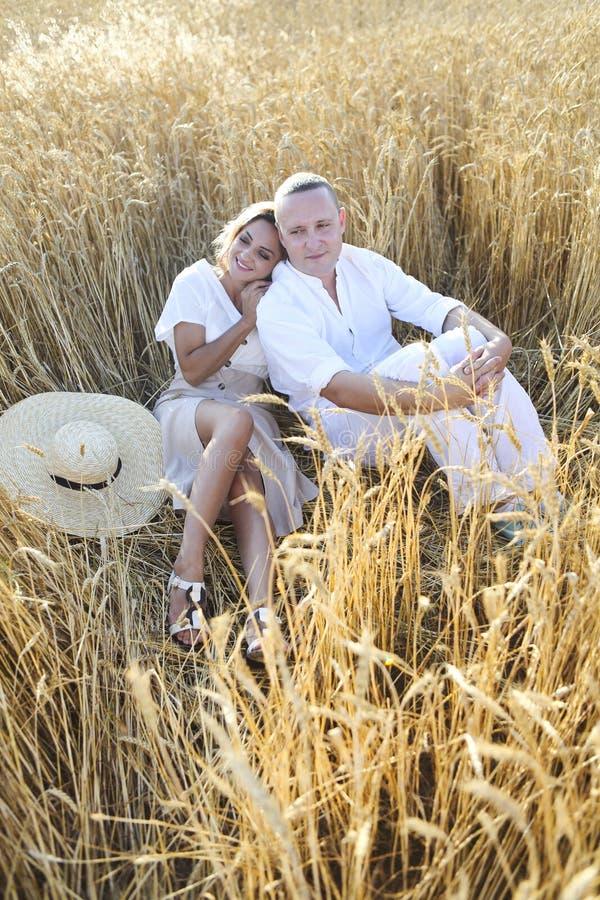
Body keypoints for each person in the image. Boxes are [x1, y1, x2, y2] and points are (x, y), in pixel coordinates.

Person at [256, 172, 556, 540]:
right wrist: (450, 394)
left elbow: (435, 307)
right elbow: (341, 390)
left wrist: (497, 341)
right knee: (418, 359)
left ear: (342, 221)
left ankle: (541, 486)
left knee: (471, 342)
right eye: (298, 231)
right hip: (345, 427)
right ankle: (494, 503)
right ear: (282, 236)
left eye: (323, 225)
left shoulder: (364, 263)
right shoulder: (278, 307)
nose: (313, 241)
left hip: (414, 402)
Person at [154, 201, 318, 657]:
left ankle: (261, 616)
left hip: (246, 416)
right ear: (233, 235)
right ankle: (188, 570)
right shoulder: (196, 282)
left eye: (264, 254)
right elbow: (190, 368)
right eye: (245, 239)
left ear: (276, 267)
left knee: (247, 472)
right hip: (190, 407)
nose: (247, 254)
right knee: (238, 421)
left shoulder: (280, 307)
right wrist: (246, 320)